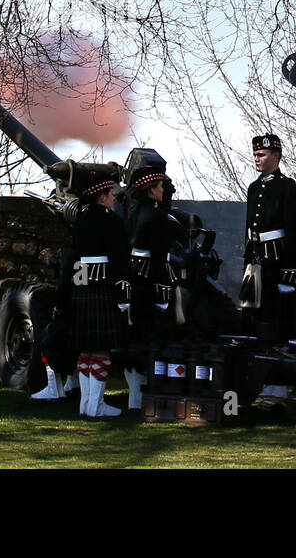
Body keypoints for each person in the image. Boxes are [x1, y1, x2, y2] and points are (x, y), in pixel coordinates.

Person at [240, 133, 296, 399]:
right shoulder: (253, 188)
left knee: (278, 329)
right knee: (257, 328)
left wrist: (290, 274)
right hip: (256, 266)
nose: (257, 158)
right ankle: (259, 383)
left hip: (278, 265)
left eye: (263, 155)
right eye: (256, 155)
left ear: (276, 156)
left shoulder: (289, 188)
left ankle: (278, 386)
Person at [69, 167, 129, 418]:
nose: (114, 198)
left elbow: (74, 256)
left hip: (82, 284)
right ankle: (97, 405)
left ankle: (86, 404)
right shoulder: (112, 221)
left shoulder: (80, 220)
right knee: (102, 347)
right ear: (102, 197)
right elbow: (119, 260)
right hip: (104, 285)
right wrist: (124, 294)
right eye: (111, 194)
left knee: (86, 348)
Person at [124, 159, 173, 411]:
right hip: (149, 287)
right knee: (151, 342)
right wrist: (164, 296)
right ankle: (145, 398)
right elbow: (161, 258)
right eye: (160, 186)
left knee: (133, 341)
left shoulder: (133, 212)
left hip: (132, 283)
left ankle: (133, 398)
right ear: (151, 189)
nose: (163, 190)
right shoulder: (157, 217)